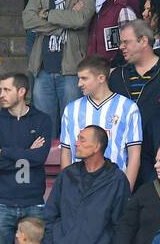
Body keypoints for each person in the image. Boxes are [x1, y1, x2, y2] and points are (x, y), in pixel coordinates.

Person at [0, 72, 53, 244]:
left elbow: (39, 158)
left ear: (21, 92)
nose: (1, 94)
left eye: (6, 90)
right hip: (1, 203)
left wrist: (5, 152)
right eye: (0, 89)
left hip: (33, 203)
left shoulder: (42, 120)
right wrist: (27, 153)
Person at [23, 0, 95, 123]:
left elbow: (80, 20)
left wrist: (48, 14)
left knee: (72, 124)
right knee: (44, 126)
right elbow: (28, 20)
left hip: (72, 68)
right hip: (43, 66)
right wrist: (66, 21)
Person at [59, 56, 143, 189]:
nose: (79, 84)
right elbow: (66, 152)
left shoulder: (128, 108)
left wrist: (126, 191)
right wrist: (67, 189)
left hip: (114, 186)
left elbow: (134, 153)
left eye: (84, 78)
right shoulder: (71, 109)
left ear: (101, 78)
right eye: (79, 78)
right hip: (79, 188)